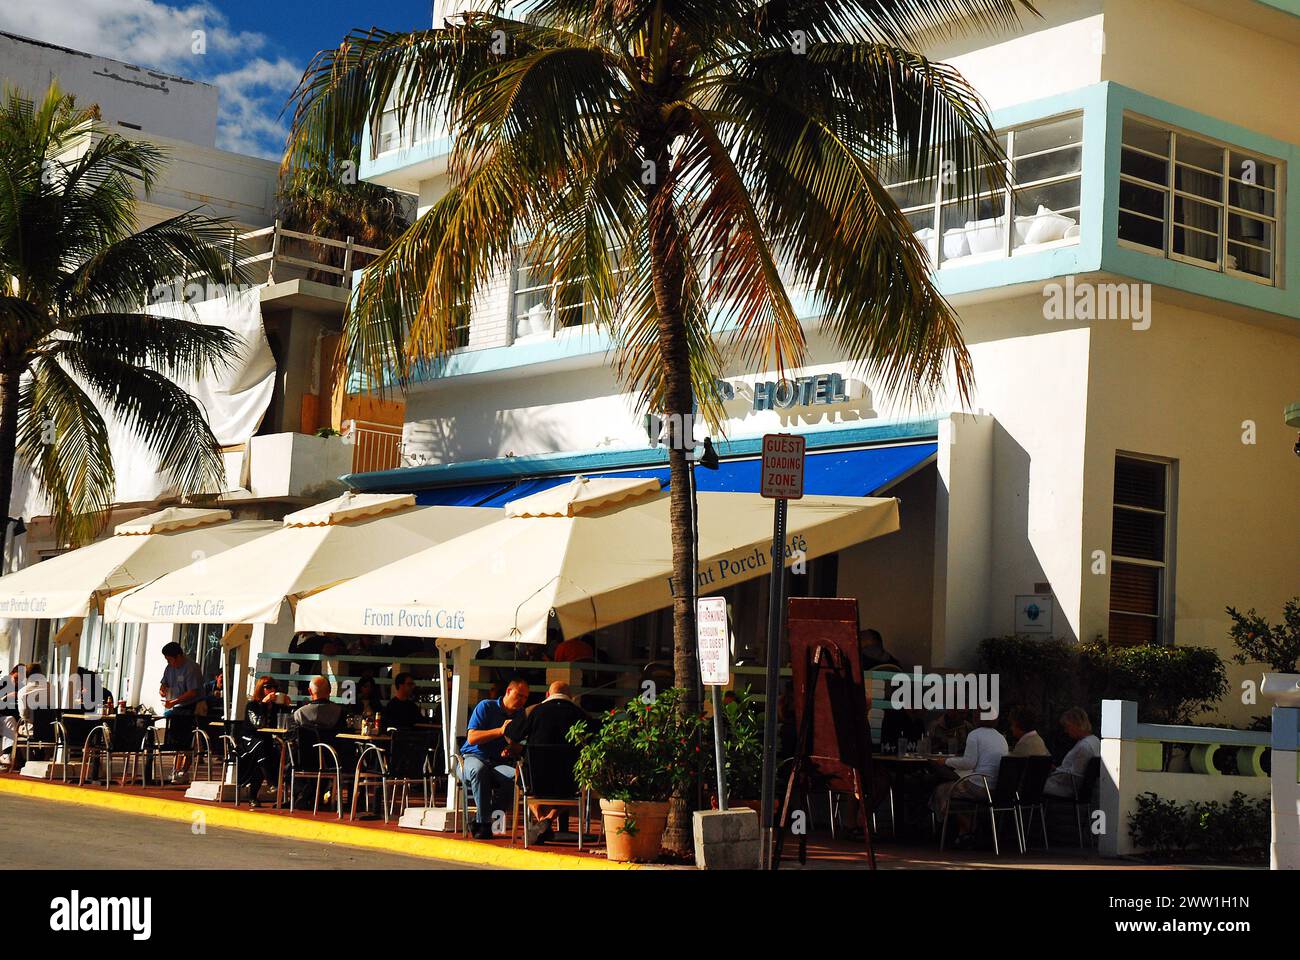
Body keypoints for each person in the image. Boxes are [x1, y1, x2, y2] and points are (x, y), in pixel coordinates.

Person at [503, 681, 592, 842]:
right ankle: (548, 819)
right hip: (568, 783)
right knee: (577, 787)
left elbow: (512, 734)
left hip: (536, 781)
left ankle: (541, 820)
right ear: (570, 697)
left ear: (547, 695)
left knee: (520, 777)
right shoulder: (580, 714)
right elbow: (595, 737)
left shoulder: (534, 711)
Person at [461, 678, 529, 839]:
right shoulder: (486, 706)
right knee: (479, 770)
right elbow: (471, 738)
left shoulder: (521, 714)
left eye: (525, 698)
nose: (521, 701)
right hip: (473, 757)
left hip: (498, 762)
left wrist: (511, 749)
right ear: (508, 691)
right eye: (519, 695)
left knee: (517, 778)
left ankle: (484, 819)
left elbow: (520, 743)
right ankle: (484, 823)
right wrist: (500, 731)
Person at [929, 714, 1008, 846]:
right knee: (959, 792)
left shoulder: (975, 734)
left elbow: (969, 763)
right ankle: (964, 832)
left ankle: (965, 829)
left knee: (942, 790)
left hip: (980, 787)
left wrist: (945, 761)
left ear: (978, 718)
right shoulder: (1001, 738)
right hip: (996, 788)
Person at [159, 642, 205, 781]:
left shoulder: (191, 668)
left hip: (191, 706)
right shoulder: (169, 668)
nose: (170, 662)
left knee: (187, 740)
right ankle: (176, 768)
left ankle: (184, 770)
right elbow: (164, 682)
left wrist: (174, 701)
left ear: (179, 656)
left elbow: (193, 692)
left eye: (170, 659)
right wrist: (162, 689)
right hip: (176, 707)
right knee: (176, 740)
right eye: (167, 660)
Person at [1044, 707, 1101, 798]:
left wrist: (1054, 772)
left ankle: (1032, 811)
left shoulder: (1084, 746)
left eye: (1067, 727)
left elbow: (1075, 777)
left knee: (1034, 784)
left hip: (1068, 788)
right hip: (1072, 785)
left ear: (1076, 724)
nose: (1065, 731)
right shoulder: (1095, 740)